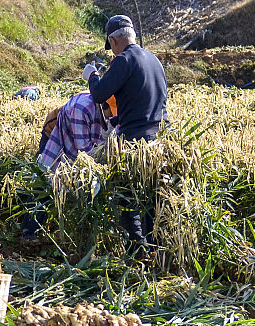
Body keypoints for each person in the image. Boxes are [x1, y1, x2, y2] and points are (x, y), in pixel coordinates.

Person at [83, 15, 167, 252]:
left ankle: (137, 248)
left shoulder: (124, 60)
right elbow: (145, 101)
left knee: (126, 193)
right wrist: (118, 119)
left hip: (136, 140)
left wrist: (92, 76)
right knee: (154, 195)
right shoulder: (153, 60)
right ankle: (157, 248)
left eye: (111, 47)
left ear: (113, 41)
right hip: (160, 138)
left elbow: (99, 93)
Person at [21, 92, 117, 241]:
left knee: (80, 183)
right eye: (111, 113)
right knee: (45, 179)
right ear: (104, 105)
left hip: (81, 140)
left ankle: (70, 228)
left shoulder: (113, 108)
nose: (112, 117)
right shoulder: (81, 108)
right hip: (56, 135)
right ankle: (29, 231)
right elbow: (84, 154)